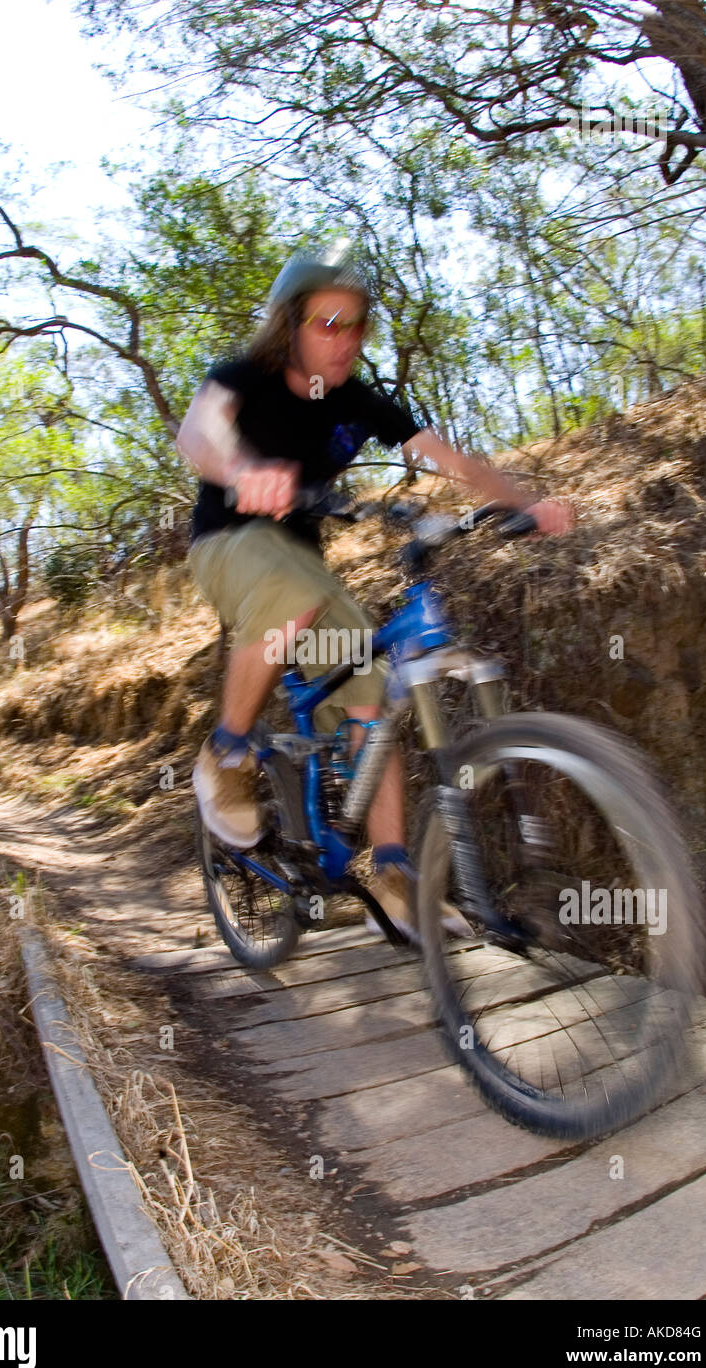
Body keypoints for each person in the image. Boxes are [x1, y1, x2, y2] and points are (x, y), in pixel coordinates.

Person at [177, 245, 573, 940]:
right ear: (289, 326)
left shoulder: (359, 400)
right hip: (229, 544)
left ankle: (389, 870)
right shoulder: (246, 375)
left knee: (375, 688)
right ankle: (227, 751)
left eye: (355, 326)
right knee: (288, 590)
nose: (344, 339)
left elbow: (447, 458)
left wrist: (527, 504)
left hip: (301, 560)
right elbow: (198, 433)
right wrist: (242, 471)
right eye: (327, 324)